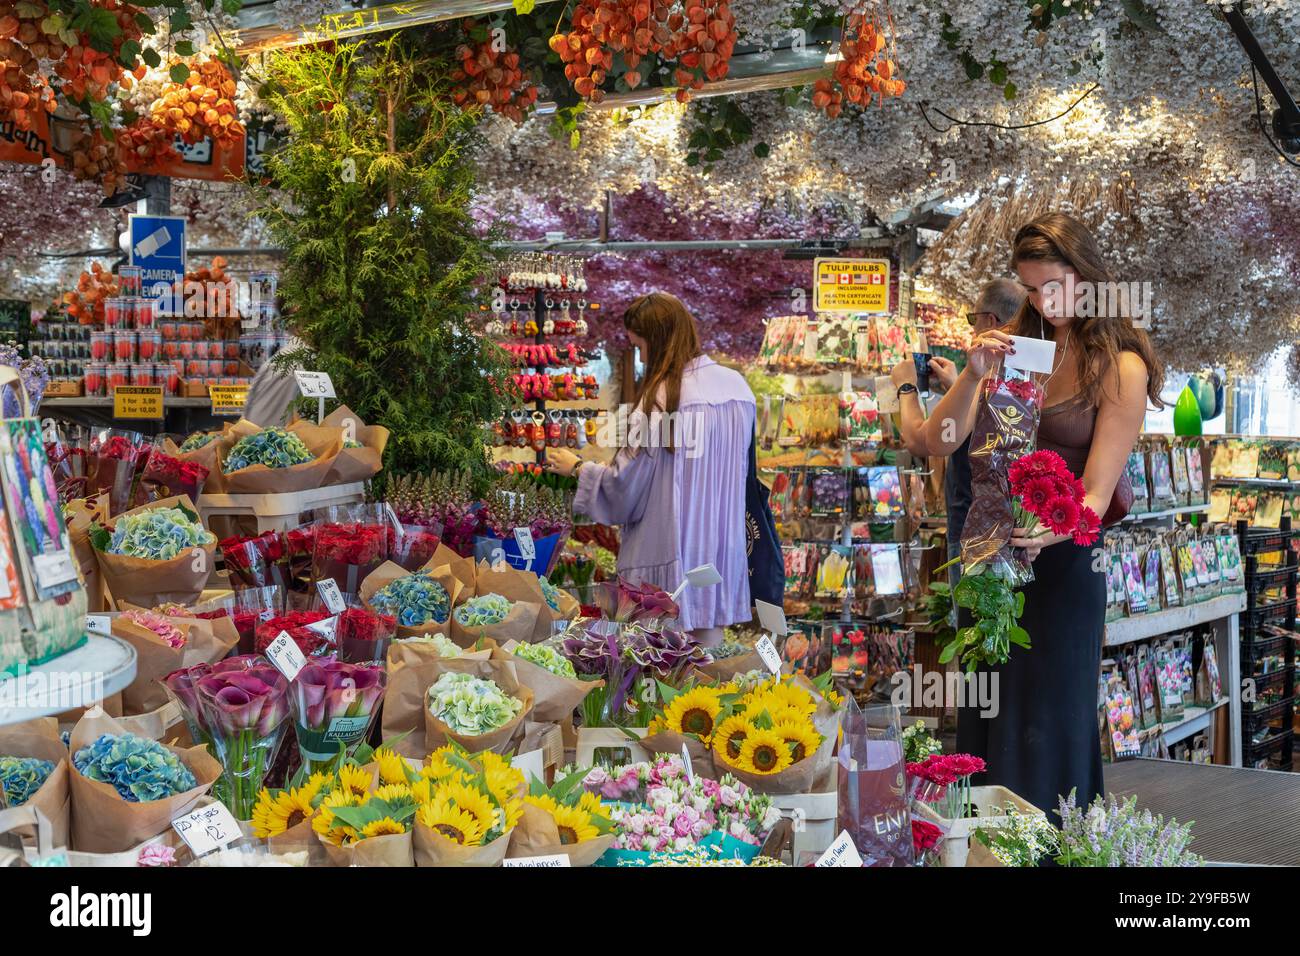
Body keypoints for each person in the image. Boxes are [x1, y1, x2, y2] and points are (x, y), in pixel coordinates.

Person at [922, 213, 1164, 820]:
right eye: (1031, 289)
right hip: (993, 563)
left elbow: (1096, 494)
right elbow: (937, 439)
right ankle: (983, 852)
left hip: (1064, 570)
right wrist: (973, 375)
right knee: (991, 713)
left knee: (1051, 720)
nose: (1043, 301)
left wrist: (1046, 531)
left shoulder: (1121, 366)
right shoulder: (1016, 349)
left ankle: (1053, 850)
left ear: (1088, 277)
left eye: (1054, 286)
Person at [544, 292, 756, 645]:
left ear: (655, 342)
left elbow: (625, 485)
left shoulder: (662, 399)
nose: (640, 357)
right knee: (706, 661)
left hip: (666, 552)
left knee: (660, 665)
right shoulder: (737, 388)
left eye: (639, 347)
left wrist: (579, 468)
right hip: (720, 548)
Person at [891, 279, 1026, 572]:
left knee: (971, 616)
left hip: (971, 533)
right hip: (1015, 532)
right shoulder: (1024, 373)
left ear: (990, 320)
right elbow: (982, 420)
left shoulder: (988, 369)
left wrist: (906, 387)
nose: (971, 327)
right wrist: (958, 385)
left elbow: (924, 441)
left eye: (972, 319)